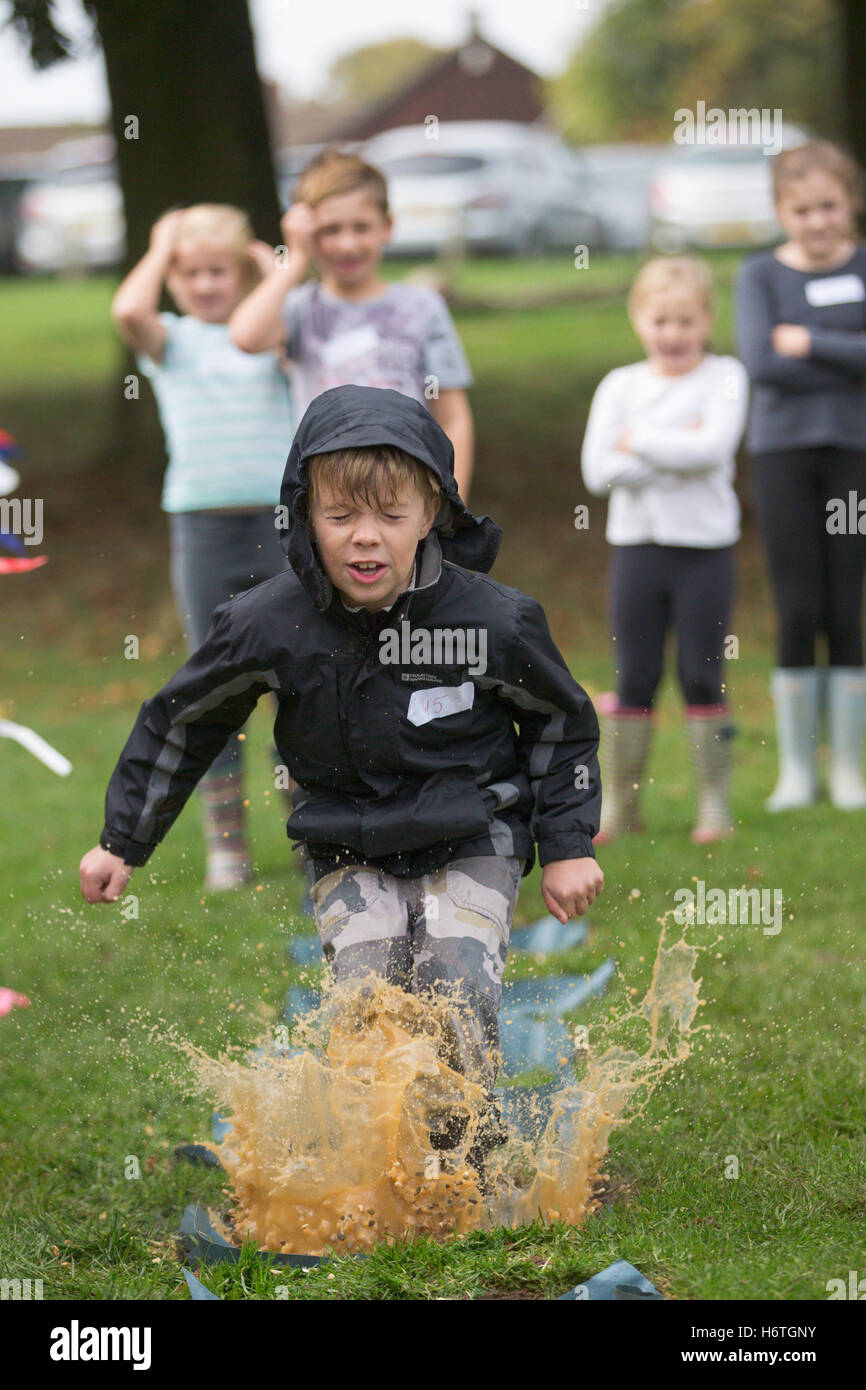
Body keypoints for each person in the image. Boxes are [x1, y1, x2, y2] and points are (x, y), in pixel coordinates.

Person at [79, 384, 603, 1168]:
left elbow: (562, 725)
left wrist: (565, 845)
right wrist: (123, 839)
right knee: (369, 998)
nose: (366, 539)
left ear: (433, 513)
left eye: (391, 516)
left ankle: (460, 1168)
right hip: (344, 844)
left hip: (472, 834)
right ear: (301, 512)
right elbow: (186, 721)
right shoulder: (268, 621)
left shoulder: (492, 620)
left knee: (451, 988)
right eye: (340, 516)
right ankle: (381, 1163)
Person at [111, 204, 294, 889]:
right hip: (202, 530)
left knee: (294, 681)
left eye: (220, 271)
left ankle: (310, 834)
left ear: (241, 273)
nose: (206, 285)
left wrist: (271, 265)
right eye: (192, 274)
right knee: (214, 684)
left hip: (279, 526)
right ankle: (228, 849)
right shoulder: (172, 341)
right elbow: (129, 310)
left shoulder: (268, 331)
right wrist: (160, 247)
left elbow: (294, 308)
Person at [582, 256, 748, 843]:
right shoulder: (619, 386)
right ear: (638, 319)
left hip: (705, 551)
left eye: (686, 321)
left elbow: (713, 448)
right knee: (635, 676)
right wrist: (675, 452)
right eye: (661, 320)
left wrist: (640, 443)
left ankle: (714, 806)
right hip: (638, 550)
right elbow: (599, 471)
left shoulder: (726, 376)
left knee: (702, 675)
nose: (673, 334)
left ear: (707, 320)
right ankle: (620, 811)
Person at [735, 140, 866, 811]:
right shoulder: (759, 275)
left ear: (851, 203)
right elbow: (761, 360)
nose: (817, 221)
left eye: (829, 206)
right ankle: (796, 772)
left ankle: (847, 769)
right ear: (782, 210)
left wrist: (809, 341)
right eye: (802, 209)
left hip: (854, 452)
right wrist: (849, 354)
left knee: (847, 603)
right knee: (798, 605)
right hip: (783, 455)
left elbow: (791, 353)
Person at [229, 149, 475, 499]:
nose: (347, 244)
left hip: (407, 500)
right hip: (324, 504)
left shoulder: (422, 307)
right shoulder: (299, 308)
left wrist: (454, 504)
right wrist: (296, 260)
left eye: (361, 227)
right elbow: (246, 336)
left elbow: (453, 417)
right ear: (308, 232)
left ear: (387, 226)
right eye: (330, 230)